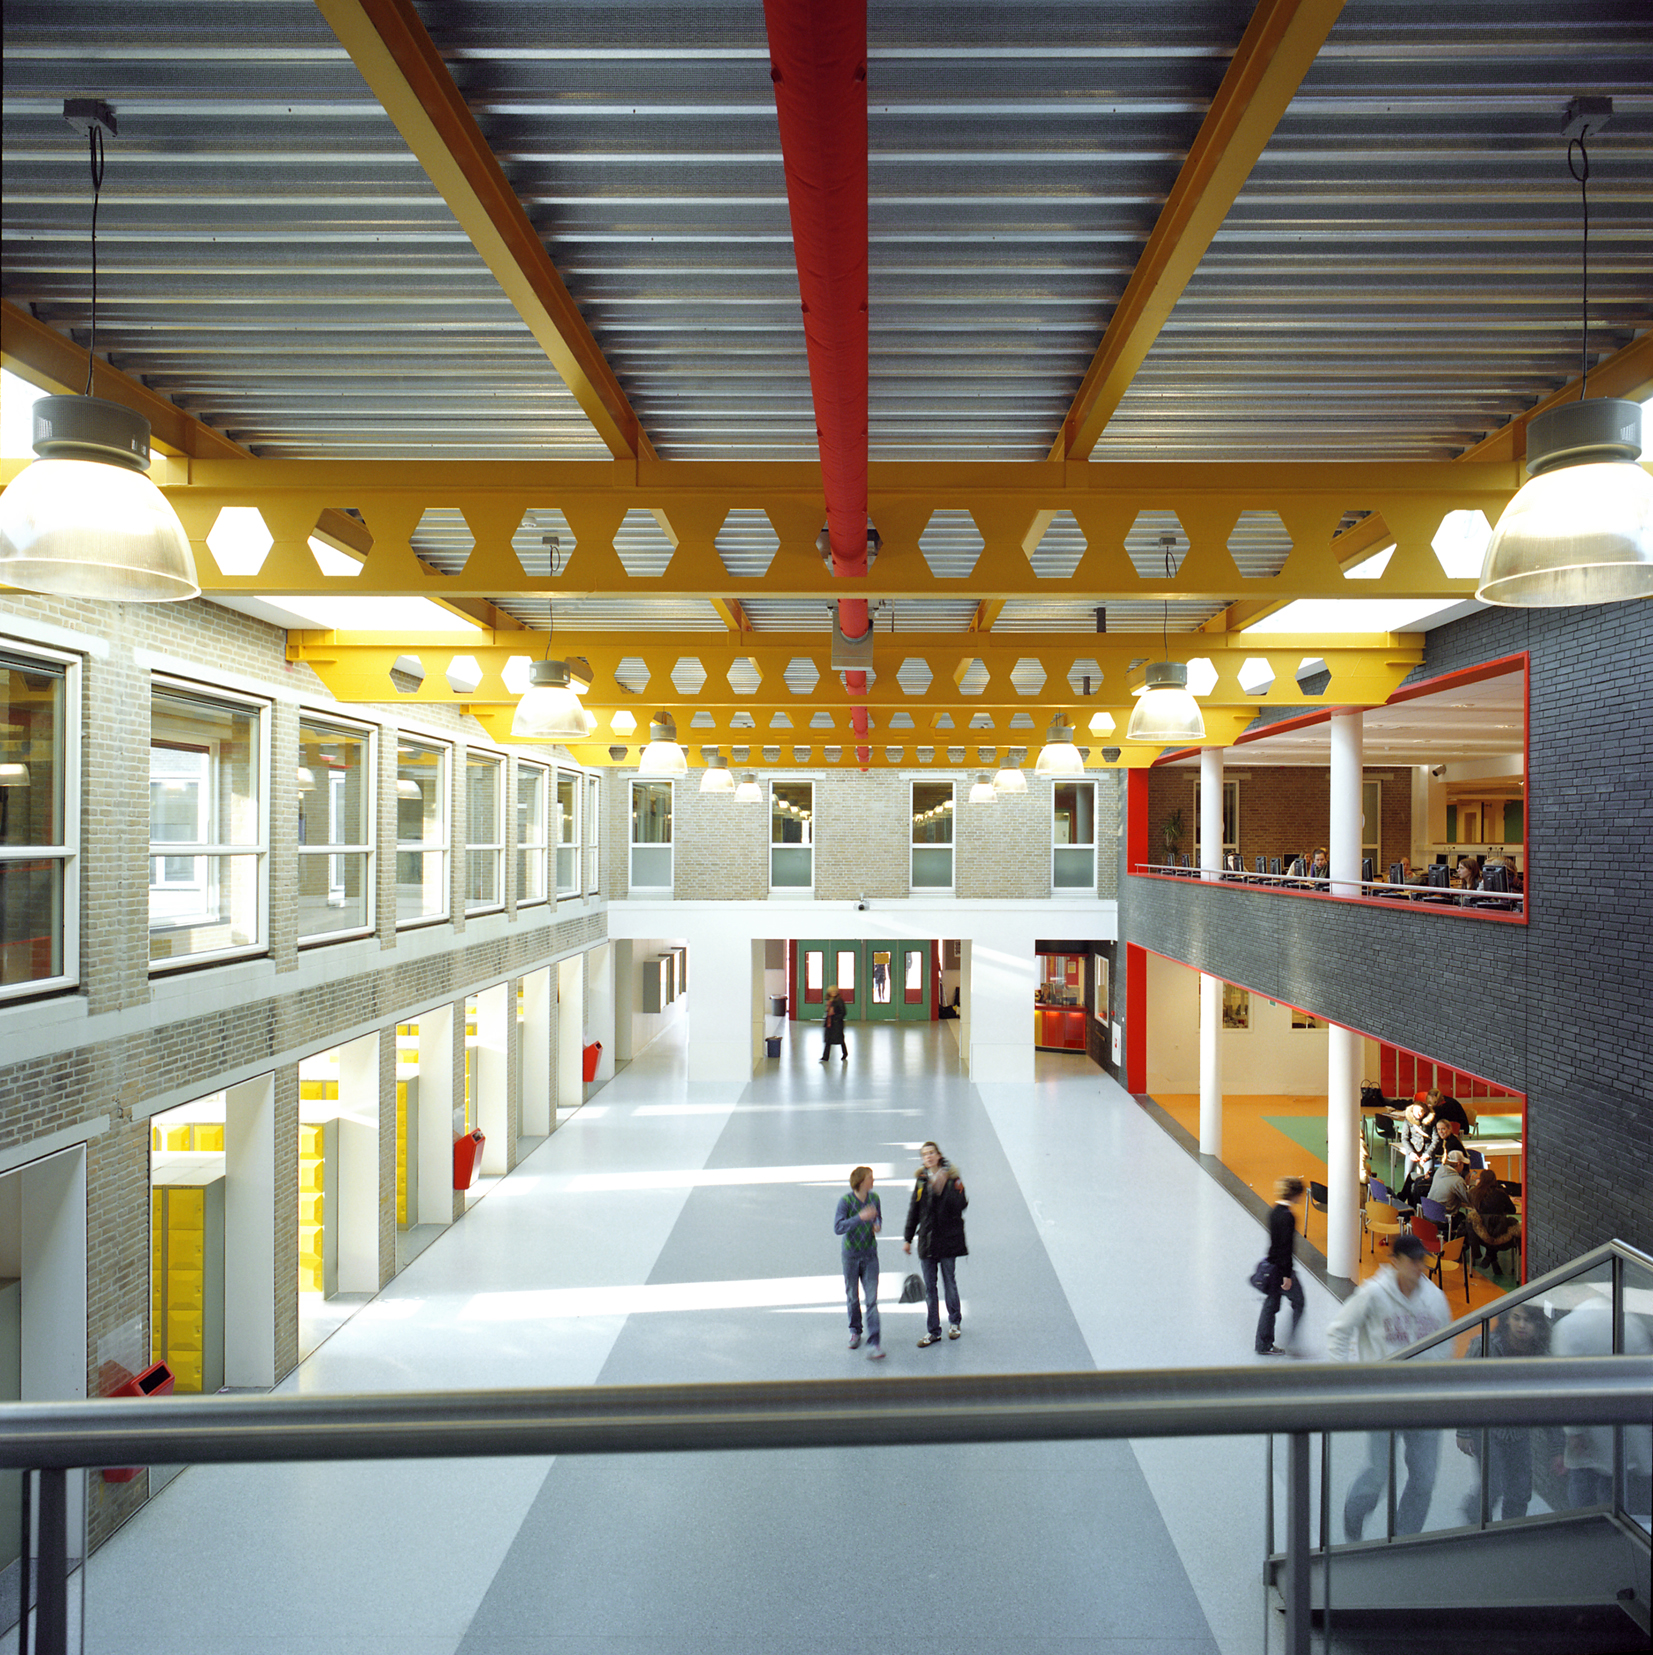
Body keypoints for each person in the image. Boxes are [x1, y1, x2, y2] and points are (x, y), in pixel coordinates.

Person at [1326, 1233, 1452, 1540]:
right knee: (1379, 1473)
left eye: (1422, 1259)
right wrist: (1345, 1381)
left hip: (1424, 1404)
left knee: (1423, 1478)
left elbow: (1446, 1345)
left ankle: (1405, 1538)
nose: (1419, 1266)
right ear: (1394, 1261)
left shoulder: (1435, 1299)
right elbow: (1338, 1332)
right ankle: (1354, 1514)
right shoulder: (1373, 1294)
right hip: (1383, 1399)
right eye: (1412, 1260)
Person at [1457, 1301, 1549, 1523]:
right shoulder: (1486, 1346)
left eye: (1528, 1320)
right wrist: (1464, 1430)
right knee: (1493, 1485)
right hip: (1485, 1426)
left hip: (1519, 1431)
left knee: (1520, 1491)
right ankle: (1476, 1525)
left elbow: (1549, 1402)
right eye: (1517, 1318)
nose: (1521, 1325)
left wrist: (1556, 1445)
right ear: (1507, 1319)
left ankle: (1510, 1534)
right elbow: (1463, 1385)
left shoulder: (1541, 1356)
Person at [903, 1140, 967, 1348]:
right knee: (930, 1288)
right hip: (928, 1242)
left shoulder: (952, 1178)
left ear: (939, 1155)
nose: (928, 1156)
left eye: (931, 1153)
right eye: (924, 1154)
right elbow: (914, 1211)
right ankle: (933, 1331)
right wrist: (908, 1238)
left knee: (949, 1281)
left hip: (948, 1240)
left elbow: (962, 1204)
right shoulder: (921, 1181)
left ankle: (954, 1322)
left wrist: (945, 1189)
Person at [833, 1166, 884, 1359]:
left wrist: (877, 1224)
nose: (873, 1181)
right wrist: (859, 1218)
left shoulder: (874, 1198)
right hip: (851, 1256)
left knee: (871, 1300)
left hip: (870, 1255)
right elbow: (838, 1227)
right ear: (861, 1181)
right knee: (852, 1296)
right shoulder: (845, 1201)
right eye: (870, 1178)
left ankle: (874, 1342)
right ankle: (855, 1329)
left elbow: (878, 1217)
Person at [1254, 1177, 1306, 1356]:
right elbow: (1287, 1247)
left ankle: (1263, 1344)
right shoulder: (1288, 1217)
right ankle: (1291, 1342)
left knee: (1271, 1304)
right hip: (1282, 1269)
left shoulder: (1274, 1211)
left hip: (1272, 1264)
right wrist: (1286, 1275)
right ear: (1294, 1194)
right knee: (1299, 1302)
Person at [1463, 1169, 1521, 1272]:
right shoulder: (1501, 1194)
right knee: (1511, 1225)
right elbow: (1512, 1210)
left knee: (1487, 1233)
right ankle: (1491, 1256)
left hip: (1479, 1232)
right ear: (1494, 1180)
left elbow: (1471, 1205)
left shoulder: (1474, 1193)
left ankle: (1490, 1256)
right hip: (1500, 1231)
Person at [1426, 1150, 1472, 1233]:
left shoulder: (1439, 1171)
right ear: (1458, 1164)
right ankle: (1461, 1244)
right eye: (1463, 1164)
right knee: (1466, 1221)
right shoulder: (1458, 1180)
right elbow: (1470, 1200)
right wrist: (1468, 1184)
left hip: (1429, 1215)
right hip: (1442, 1219)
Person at [820, 987, 847, 1062]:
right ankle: (825, 1057)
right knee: (828, 1040)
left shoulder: (839, 1001)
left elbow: (843, 1012)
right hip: (829, 1023)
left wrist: (836, 1018)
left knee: (840, 1039)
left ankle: (845, 1053)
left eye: (834, 992)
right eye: (831, 992)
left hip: (837, 1024)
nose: (833, 993)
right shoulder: (829, 1001)